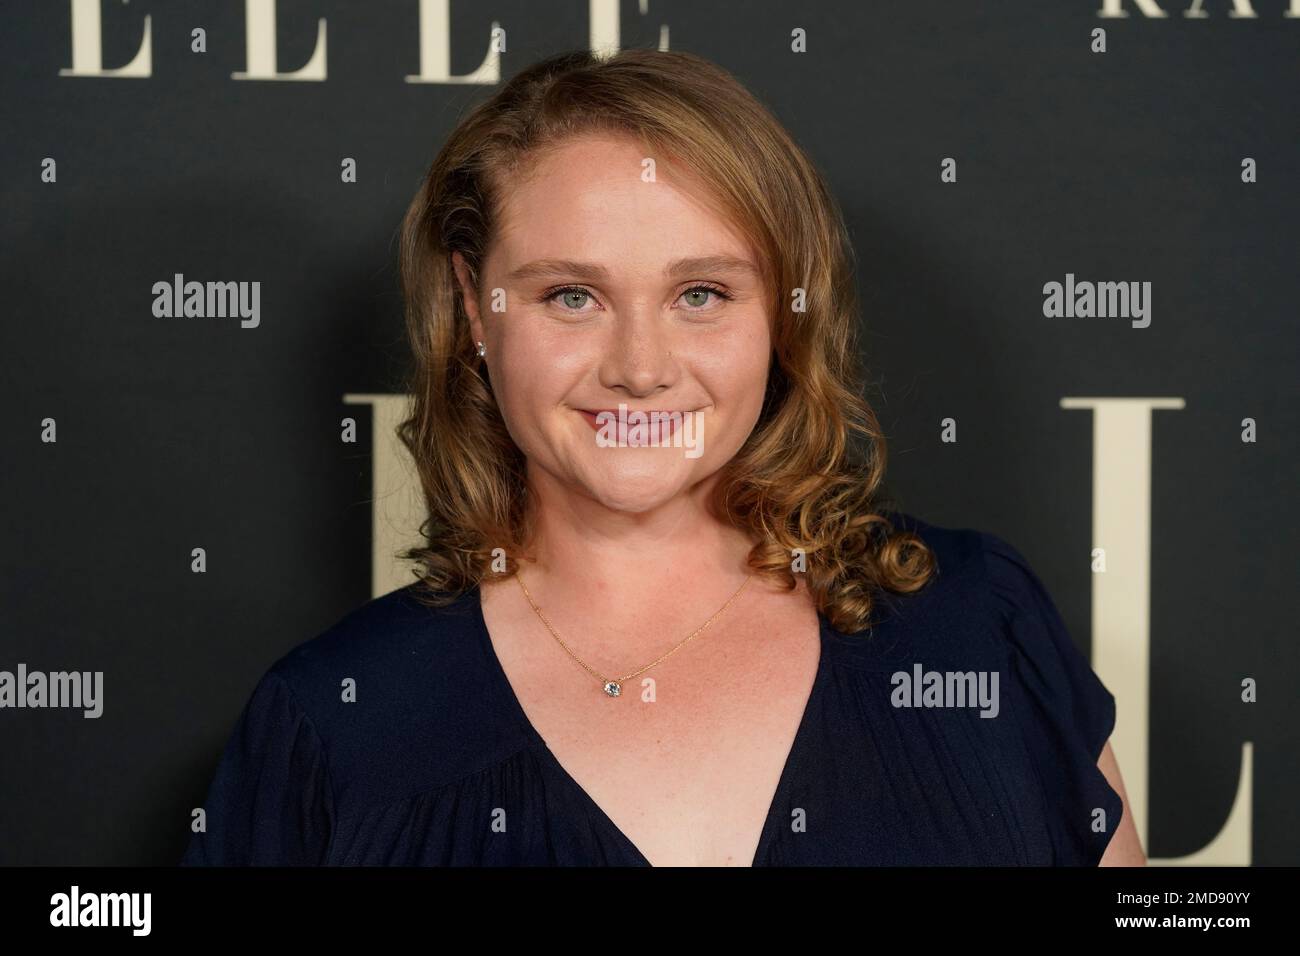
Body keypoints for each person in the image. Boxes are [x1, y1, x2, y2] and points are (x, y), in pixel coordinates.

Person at [181, 48, 1145, 867]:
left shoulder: (978, 626)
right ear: (476, 310)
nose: (639, 370)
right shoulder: (334, 725)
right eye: (570, 295)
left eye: (701, 295)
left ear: (784, 315)